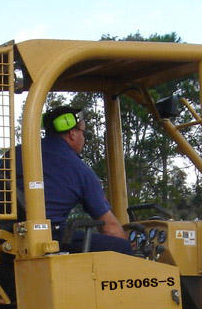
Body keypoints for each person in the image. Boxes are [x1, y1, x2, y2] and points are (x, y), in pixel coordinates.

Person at [14, 105, 132, 255]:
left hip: (6, 240)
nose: (83, 138)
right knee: (122, 247)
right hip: (46, 242)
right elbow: (110, 229)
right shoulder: (79, 170)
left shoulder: (15, 154)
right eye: (83, 132)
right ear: (72, 134)